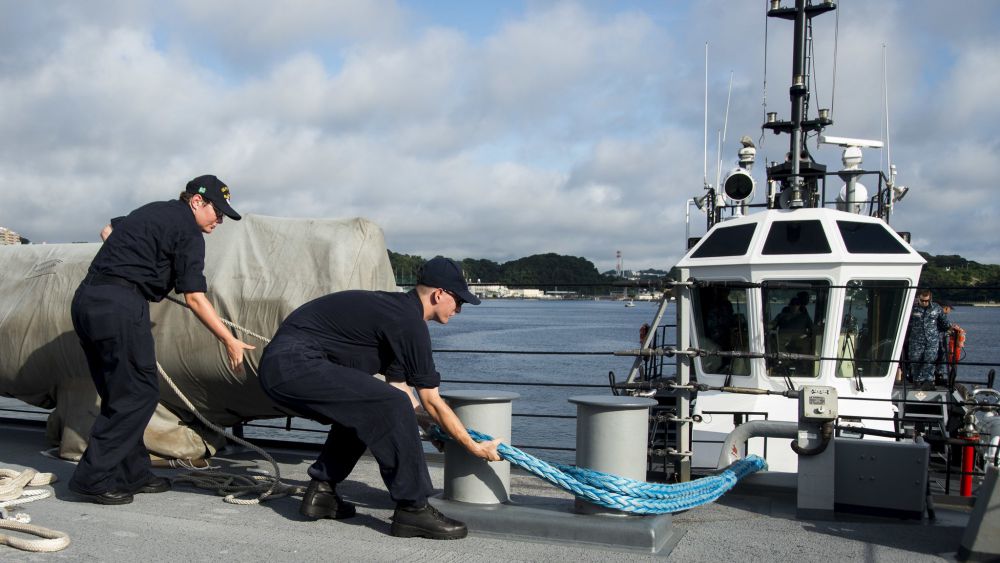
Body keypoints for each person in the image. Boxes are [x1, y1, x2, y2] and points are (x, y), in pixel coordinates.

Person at [257, 257, 501, 540]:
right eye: (458, 301)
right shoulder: (408, 321)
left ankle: (322, 493)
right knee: (388, 404)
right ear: (439, 294)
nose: (459, 309)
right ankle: (413, 509)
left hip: (284, 367)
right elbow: (431, 400)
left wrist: (429, 426)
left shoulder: (399, 314)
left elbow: (400, 387)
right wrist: (472, 446)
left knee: (367, 408)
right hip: (293, 364)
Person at [68, 175, 255, 505]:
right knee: (139, 394)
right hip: (122, 305)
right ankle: (91, 478)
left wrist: (135, 263)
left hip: (88, 300)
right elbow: (195, 298)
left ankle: (134, 472)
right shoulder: (189, 232)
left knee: (119, 393)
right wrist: (230, 340)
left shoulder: (152, 210)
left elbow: (108, 231)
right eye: (218, 212)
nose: (220, 220)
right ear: (197, 201)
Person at [906, 289, 951, 391]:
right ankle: (917, 380)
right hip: (916, 340)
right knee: (915, 360)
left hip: (932, 340)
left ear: (930, 299)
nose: (924, 303)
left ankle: (928, 381)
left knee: (930, 360)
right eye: (922, 300)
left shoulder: (936, 308)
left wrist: (949, 329)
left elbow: (944, 322)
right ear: (919, 299)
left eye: (926, 301)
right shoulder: (912, 308)